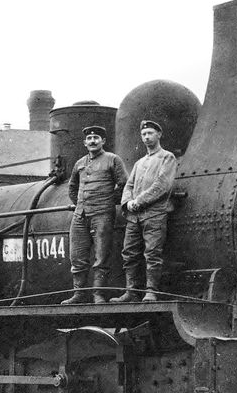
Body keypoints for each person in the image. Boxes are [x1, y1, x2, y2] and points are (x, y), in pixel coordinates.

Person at [112, 119, 178, 303]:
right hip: (134, 216)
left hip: (155, 214)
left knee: (152, 253)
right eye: (144, 134)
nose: (147, 137)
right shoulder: (139, 163)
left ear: (159, 135)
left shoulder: (167, 157)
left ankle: (151, 291)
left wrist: (138, 201)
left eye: (150, 133)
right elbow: (129, 185)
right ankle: (131, 291)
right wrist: (127, 203)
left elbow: (162, 185)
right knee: (129, 253)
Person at [61, 125, 128, 305]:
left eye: (96, 138)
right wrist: (80, 204)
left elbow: (124, 184)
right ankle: (79, 294)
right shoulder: (80, 163)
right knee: (77, 256)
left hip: (102, 214)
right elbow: (72, 187)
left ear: (103, 141)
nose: (92, 141)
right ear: (85, 143)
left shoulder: (112, 160)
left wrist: (108, 201)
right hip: (80, 215)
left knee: (101, 256)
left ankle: (98, 294)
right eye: (89, 139)